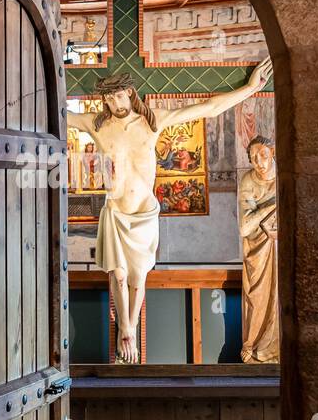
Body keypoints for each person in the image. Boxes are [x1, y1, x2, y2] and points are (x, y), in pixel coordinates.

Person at [74, 60, 273, 362]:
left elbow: (207, 109)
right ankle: (126, 330)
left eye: (117, 95)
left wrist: (249, 88)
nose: (113, 102)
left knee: (137, 277)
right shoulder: (97, 124)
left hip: (143, 214)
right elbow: (60, 117)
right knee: (117, 274)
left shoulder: (153, 122)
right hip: (115, 210)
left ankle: (128, 327)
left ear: (130, 92)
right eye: (107, 98)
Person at [238, 135, 280, 364]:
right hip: (258, 249)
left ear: (272, 153)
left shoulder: (284, 176)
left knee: (281, 295)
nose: (259, 162)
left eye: (263, 155)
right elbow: (245, 228)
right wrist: (273, 204)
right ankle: (253, 343)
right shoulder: (248, 181)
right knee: (259, 296)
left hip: (281, 247)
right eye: (254, 158)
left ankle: (279, 347)